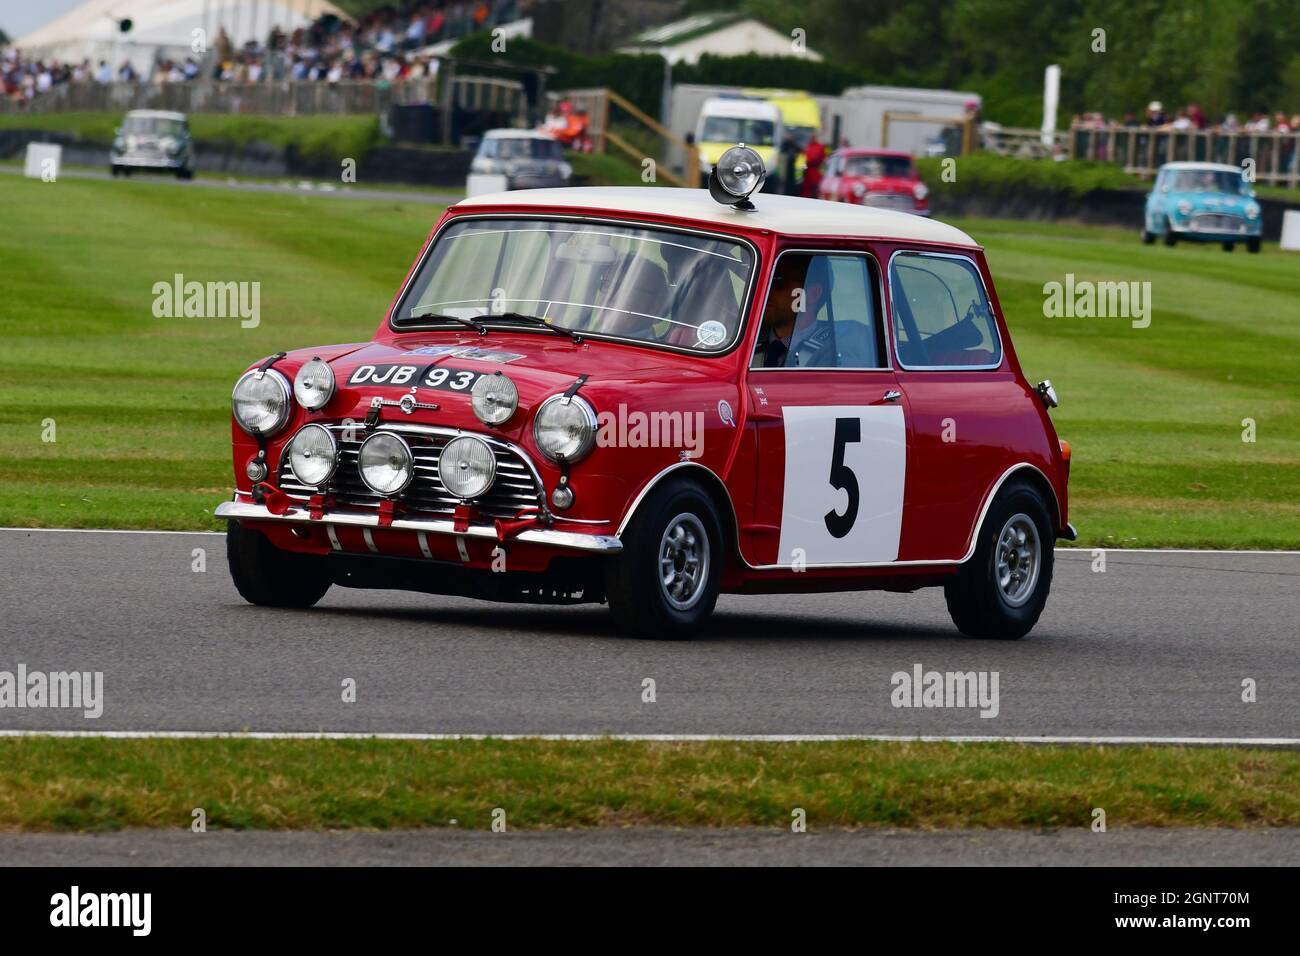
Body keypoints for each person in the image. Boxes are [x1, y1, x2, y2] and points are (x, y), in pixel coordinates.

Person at [800, 134, 826, 199]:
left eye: (813, 137)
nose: (811, 139)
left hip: (816, 171)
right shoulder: (808, 146)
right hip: (808, 172)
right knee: (806, 191)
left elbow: (823, 159)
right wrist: (804, 169)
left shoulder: (820, 147)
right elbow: (803, 159)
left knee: (815, 190)